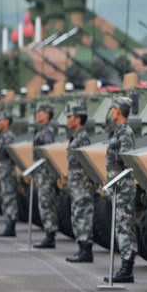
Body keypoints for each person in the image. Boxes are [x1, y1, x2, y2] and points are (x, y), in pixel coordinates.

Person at [104, 97, 138, 281]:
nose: (111, 112)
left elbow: (126, 160)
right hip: (117, 185)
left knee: (124, 225)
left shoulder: (125, 132)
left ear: (118, 111)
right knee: (120, 225)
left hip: (123, 185)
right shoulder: (118, 131)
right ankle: (125, 265)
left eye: (112, 109)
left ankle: (127, 268)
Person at [65, 103, 95, 263]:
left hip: (82, 184)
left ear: (78, 120)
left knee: (83, 215)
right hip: (76, 184)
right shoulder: (76, 136)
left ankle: (86, 250)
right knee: (77, 214)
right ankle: (81, 248)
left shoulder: (82, 138)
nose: (68, 120)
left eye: (70, 117)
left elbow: (85, 163)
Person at [31, 103, 60, 249]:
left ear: (47, 114)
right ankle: (49, 234)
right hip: (41, 173)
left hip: (45, 174)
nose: (38, 114)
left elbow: (47, 154)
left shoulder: (47, 132)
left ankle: (50, 235)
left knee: (46, 204)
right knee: (44, 204)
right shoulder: (41, 130)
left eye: (41, 112)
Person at [0, 112, 19, 237]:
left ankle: (11, 225)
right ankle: (8, 223)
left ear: (7, 122)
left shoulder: (8, 136)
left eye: (1, 120)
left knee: (9, 198)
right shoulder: (2, 135)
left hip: (8, 172)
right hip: (2, 172)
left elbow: (10, 156)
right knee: (4, 198)